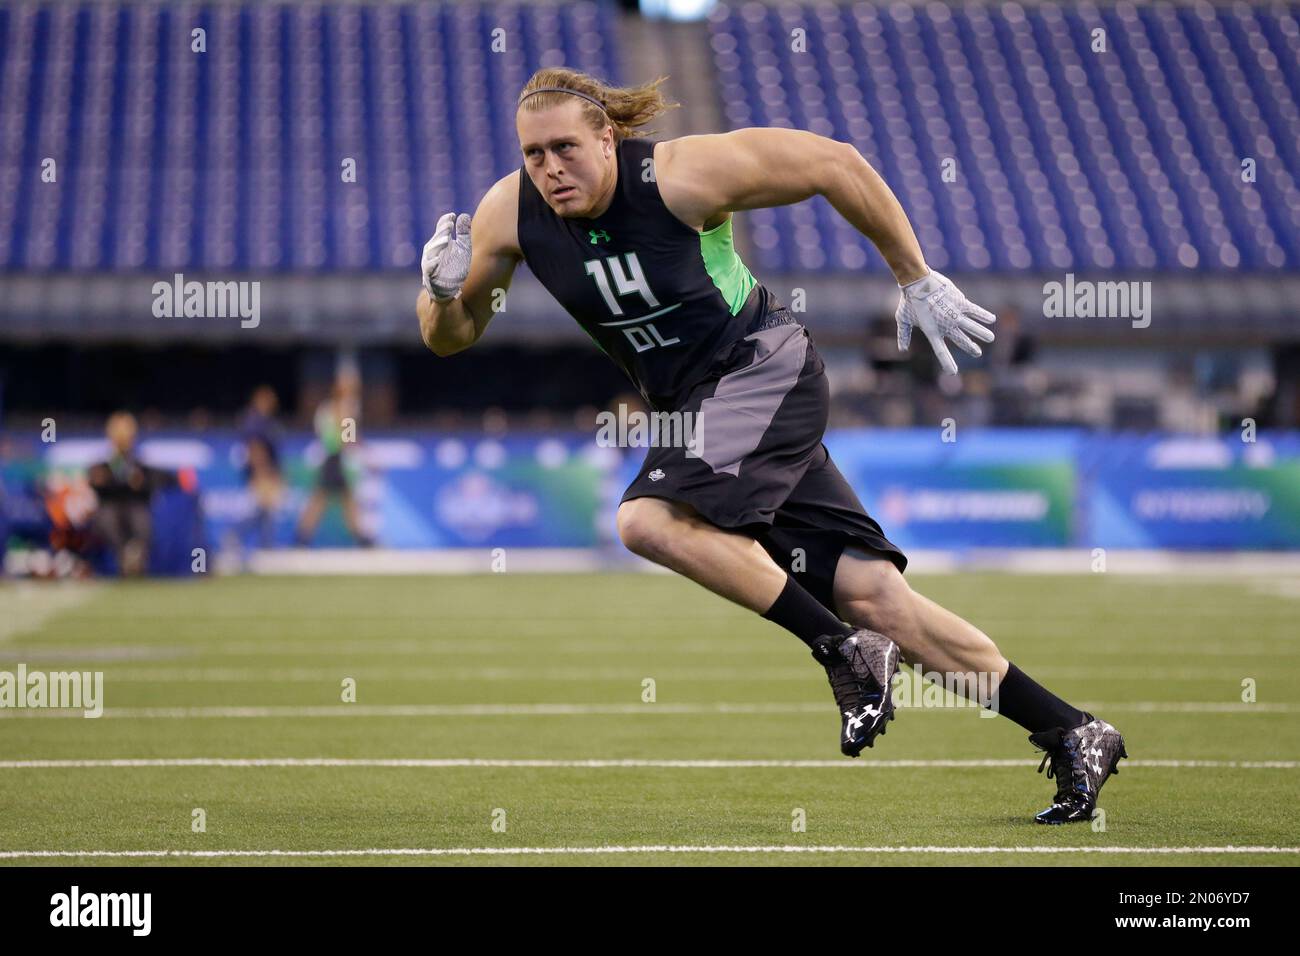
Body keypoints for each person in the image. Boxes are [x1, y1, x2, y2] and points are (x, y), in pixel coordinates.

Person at [415, 68, 1125, 824]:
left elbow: (834, 162)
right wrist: (439, 290)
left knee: (647, 521)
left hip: (759, 368)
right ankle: (1073, 730)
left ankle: (841, 651)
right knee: (876, 599)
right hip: (697, 410)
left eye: (565, 148)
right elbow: (451, 339)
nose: (549, 168)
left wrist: (913, 278)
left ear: (608, 138)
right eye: (533, 154)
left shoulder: (681, 176)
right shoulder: (509, 214)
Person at [87, 411, 187, 576]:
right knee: (108, 518)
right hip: (109, 509)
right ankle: (124, 556)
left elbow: (160, 482)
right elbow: (95, 486)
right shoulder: (101, 464)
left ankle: (135, 554)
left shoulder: (141, 463)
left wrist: (141, 483)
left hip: (136, 508)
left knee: (141, 519)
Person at [295, 372, 373, 547]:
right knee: (322, 498)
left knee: (344, 499)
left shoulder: (331, 407)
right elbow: (348, 437)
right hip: (333, 457)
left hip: (334, 456)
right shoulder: (340, 407)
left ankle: (360, 537)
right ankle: (302, 536)